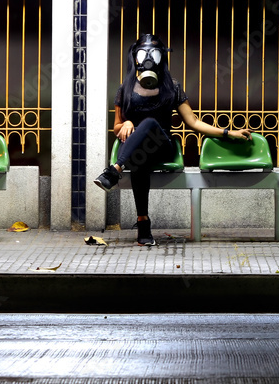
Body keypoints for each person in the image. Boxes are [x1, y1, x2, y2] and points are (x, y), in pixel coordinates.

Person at [94, 33, 252, 246]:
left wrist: (227, 132)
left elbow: (193, 122)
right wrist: (126, 123)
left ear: (162, 57)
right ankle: (143, 224)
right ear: (135, 57)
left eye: (153, 54)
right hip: (136, 151)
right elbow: (116, 127)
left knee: (149, 124)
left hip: (162, 146)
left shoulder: (172, 86)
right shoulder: (125, 88)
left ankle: (113, 172)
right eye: (143, 54)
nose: (148, 59)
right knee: (140, 159)